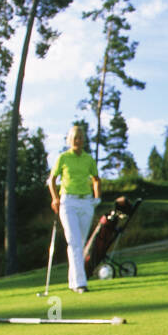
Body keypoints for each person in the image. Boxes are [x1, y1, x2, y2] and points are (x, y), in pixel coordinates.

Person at [47, 124, 102, 294]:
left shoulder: (88, 159)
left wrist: (96, 198)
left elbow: (96, 179)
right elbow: (52, 180)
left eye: (80, 138)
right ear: (70, 140)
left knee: (79, 244)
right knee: (74, 242)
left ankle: (73, 281)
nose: (78, 141)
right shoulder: (63, 157)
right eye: (75, 138)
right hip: (68, 202)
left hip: (86, 202)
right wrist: (55, 199)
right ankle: (80, 283)